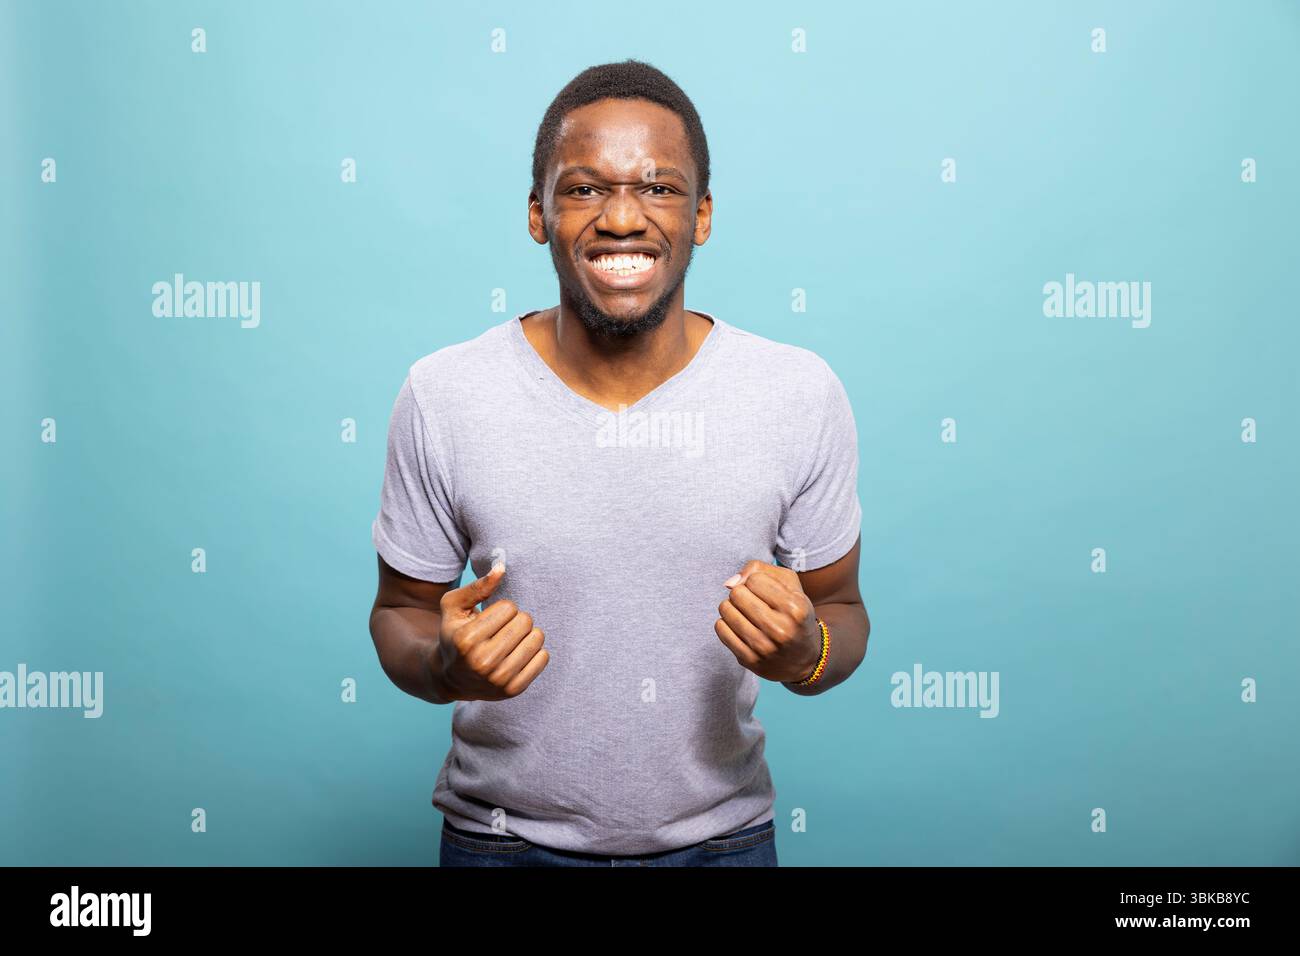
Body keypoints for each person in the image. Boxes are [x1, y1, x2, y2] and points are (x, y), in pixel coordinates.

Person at [368, 59, 869, 867]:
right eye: (585, 189)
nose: (624, 218)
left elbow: (842, 610)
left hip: (723, 847)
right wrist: (441, 663)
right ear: (538, 214)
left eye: (660, 188)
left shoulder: (796, 393)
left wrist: (803, 652)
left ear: (701, 216)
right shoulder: (444, 393)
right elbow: (399, 613)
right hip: (501, 847)